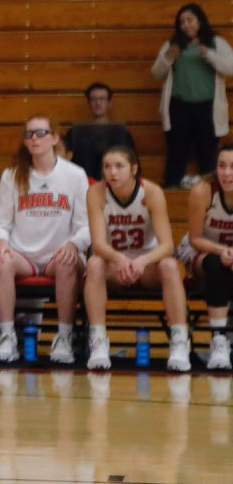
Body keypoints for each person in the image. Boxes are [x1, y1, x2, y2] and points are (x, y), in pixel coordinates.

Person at [0, 115, 89, 364]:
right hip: (24, 255)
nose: (34, 138)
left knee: (67, 262)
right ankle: (7, 337)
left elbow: (86, 225)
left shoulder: (75, 175)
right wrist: (1, 243)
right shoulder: (12, 176)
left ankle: (64, 337)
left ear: (55, 138)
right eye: (29, 134)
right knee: (1, 262)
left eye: (41, 133)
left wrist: (74, 244)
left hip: (59, 254)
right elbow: (1, 223)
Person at [85, 147, 189, 372]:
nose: (112, 172)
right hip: (115, 265)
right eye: (107, 167)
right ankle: (98, 341)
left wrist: (141, 261)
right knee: (94, 264)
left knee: (170, 266)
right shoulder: (96, 193)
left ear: (134, 169)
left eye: (119, 166)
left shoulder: (151, 192)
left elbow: (167, 245)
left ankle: (180, 341)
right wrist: (120, 259)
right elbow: (98, 244)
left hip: (147, 264)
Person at [152, 3, 233, 188]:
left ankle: (211, 192)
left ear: (200, 21)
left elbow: (231, 67)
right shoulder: (172, 44)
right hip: (178, 106)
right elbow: (156, 73)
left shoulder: (216, 42)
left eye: (190, 20)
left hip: (208, 107)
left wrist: (211, 56)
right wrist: (168, 58)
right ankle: (171, 189)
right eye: (182, 22)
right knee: (176, 152)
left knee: (208, 152)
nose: (185, 25)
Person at [183, 141, 233, 370]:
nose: (227, 173)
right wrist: (222, 251)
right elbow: (195, 238)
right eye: (222, 166)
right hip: (201, 249)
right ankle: (218, 339)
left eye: (232, 167)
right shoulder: (203, 190)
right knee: (216, 264)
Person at [63, 82, 135, 179]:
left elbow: (131, 161)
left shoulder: (121, 133)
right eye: (94, 99)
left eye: (102, 99)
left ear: (109, 103)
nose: (98, 103)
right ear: (89, 103)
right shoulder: (75, 133)